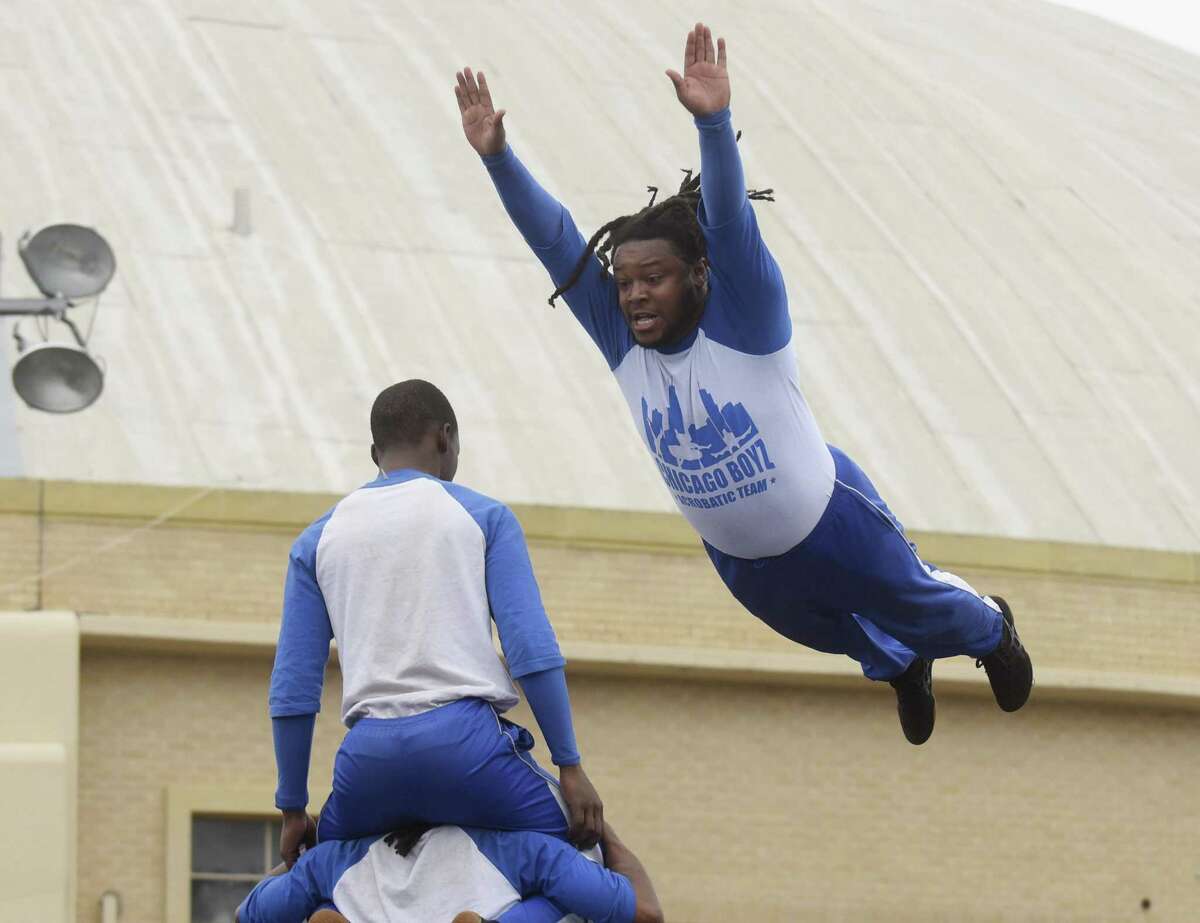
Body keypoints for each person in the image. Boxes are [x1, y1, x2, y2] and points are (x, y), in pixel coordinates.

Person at [455, 22, 1033, 746]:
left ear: (698, 275)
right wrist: (499, 159)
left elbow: (728, 222)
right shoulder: (621, 341)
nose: (633, 295)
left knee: (920, 600)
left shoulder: (745, 315)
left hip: (831, 518)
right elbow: (559, 244)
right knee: (829, 632)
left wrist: (714, 122)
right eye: (626, 281)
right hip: (741, 557)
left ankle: (990, 629)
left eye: (654, 278)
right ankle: (901, 665)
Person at [269, 379, 603, 866]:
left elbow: (293, 688)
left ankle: (322, 907)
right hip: (468, 749)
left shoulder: (316, 540)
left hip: (367, 762)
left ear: (373, 452)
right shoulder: (484, 516)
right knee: (586, 854)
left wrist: (292, 807)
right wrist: (570, 766)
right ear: (446, 438)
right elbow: (530, 648)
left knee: (319, 869)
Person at [235, 820, 664, 923]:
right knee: (557, 897)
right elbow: (647, 913)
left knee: (320, 895)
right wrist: (604, 831)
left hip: (360, 881)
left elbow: (247, 914)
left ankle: (338, 913)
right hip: (485, 885)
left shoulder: (336, 857)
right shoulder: (525, 849)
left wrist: (308, 848)